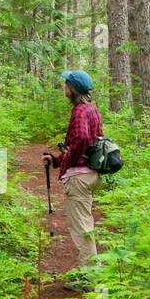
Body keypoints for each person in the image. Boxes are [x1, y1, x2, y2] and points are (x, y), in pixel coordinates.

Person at [44, 70, 103, 274]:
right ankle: (90, 273)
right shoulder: (92, 109)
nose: (64, 87)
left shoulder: (79, 111)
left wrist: (66, 161)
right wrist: (57, 160)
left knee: (82, 230)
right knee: (85, 225)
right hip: (91, 174)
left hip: (79, 177)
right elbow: (89, 143)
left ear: (73, 87)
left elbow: (81, 139)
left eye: (66, 83)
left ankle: (90, 278)